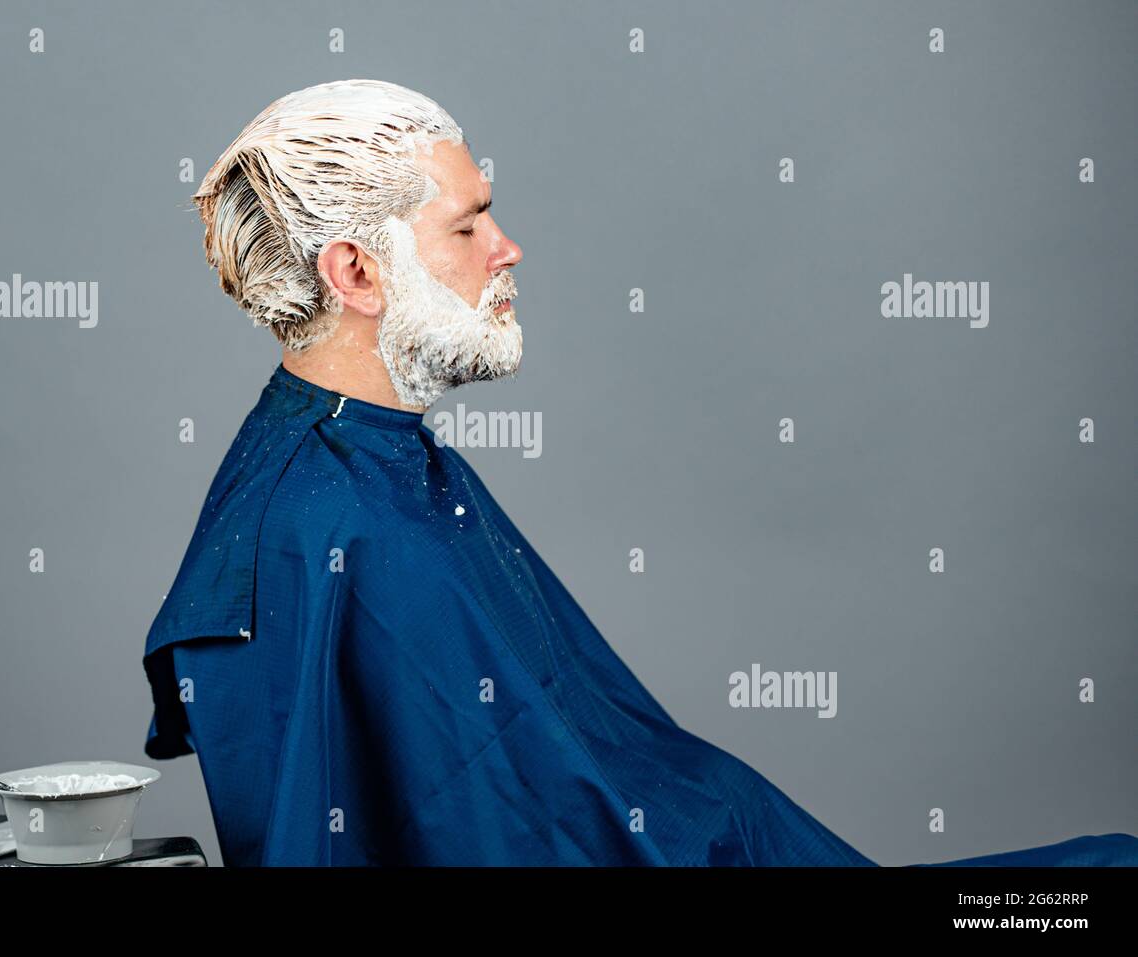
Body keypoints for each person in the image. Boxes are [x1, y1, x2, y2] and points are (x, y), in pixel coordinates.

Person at [142, 78, 1137, 866]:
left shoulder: (358, 465)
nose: (506, 248)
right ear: (355, 273)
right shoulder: (332, 529)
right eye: (466, 225)